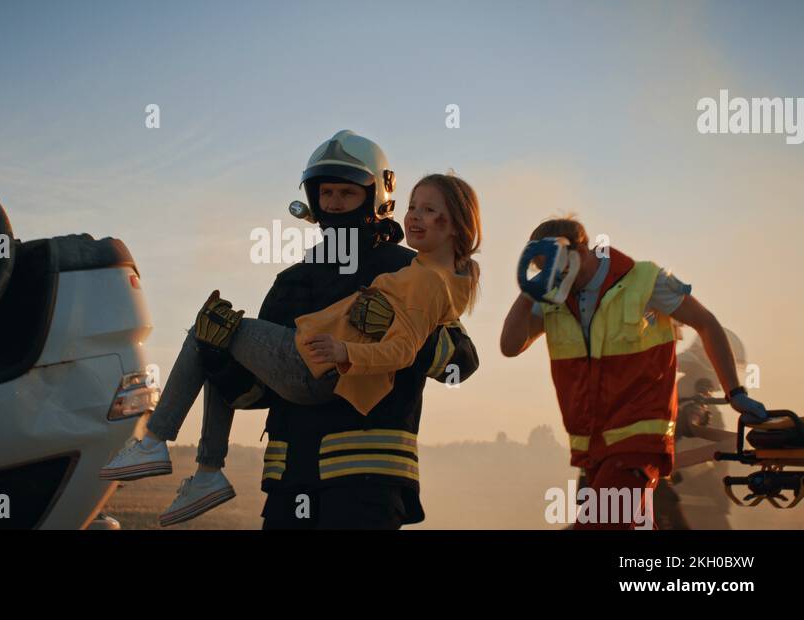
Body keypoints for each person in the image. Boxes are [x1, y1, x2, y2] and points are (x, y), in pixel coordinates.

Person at [101, 171, 481, 527]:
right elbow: (262, 389)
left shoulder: (407, 269)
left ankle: (164, 449)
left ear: (374, 198)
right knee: (216, 334)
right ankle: (205, 470)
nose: (333, 204)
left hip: (367, 481)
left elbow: (461, 364)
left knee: (220, 332)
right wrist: (221, 366)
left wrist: (406, 335)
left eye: (346, 193)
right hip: (289, 480)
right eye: (325, 193)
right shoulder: (293, 279)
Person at [500, 217, 767, 529]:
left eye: (555, 266)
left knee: (598, 526)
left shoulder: (643, 280)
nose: (553, 278)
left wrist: (735, 392)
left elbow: (705, 322)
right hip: (593, 452)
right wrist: (529, 292)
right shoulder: (553, 299)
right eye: (542, 269)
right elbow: (510, 345)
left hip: (638, 445)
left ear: (581, 251)